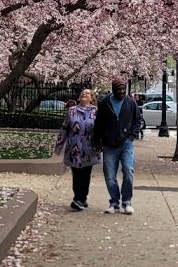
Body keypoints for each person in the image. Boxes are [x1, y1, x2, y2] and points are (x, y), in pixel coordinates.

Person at [92, 77, 143, 215]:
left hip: (126, 144)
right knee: (109, 175)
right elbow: (99, 124)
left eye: (123, 89)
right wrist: (97, 141)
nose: (121, 92)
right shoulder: (105, 103)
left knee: (128, 171)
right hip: (109, 145)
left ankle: (127, 201)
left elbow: (138, 120)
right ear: (113, 90)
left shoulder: (130, 102)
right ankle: (114, 202)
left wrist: (132, 136)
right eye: (118, 89)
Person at [56, 89, 100, 211]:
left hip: (89, 147)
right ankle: (78, 198)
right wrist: (59, 146)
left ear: (92, 98)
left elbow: (101, 129)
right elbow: (64, 128)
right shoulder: (72, 111)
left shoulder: (96, 112)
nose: (84, 94)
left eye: (87, 93)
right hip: (74, 146)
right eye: (82, 93)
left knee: (86, 173)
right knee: (76, 173)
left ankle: (83, 198)